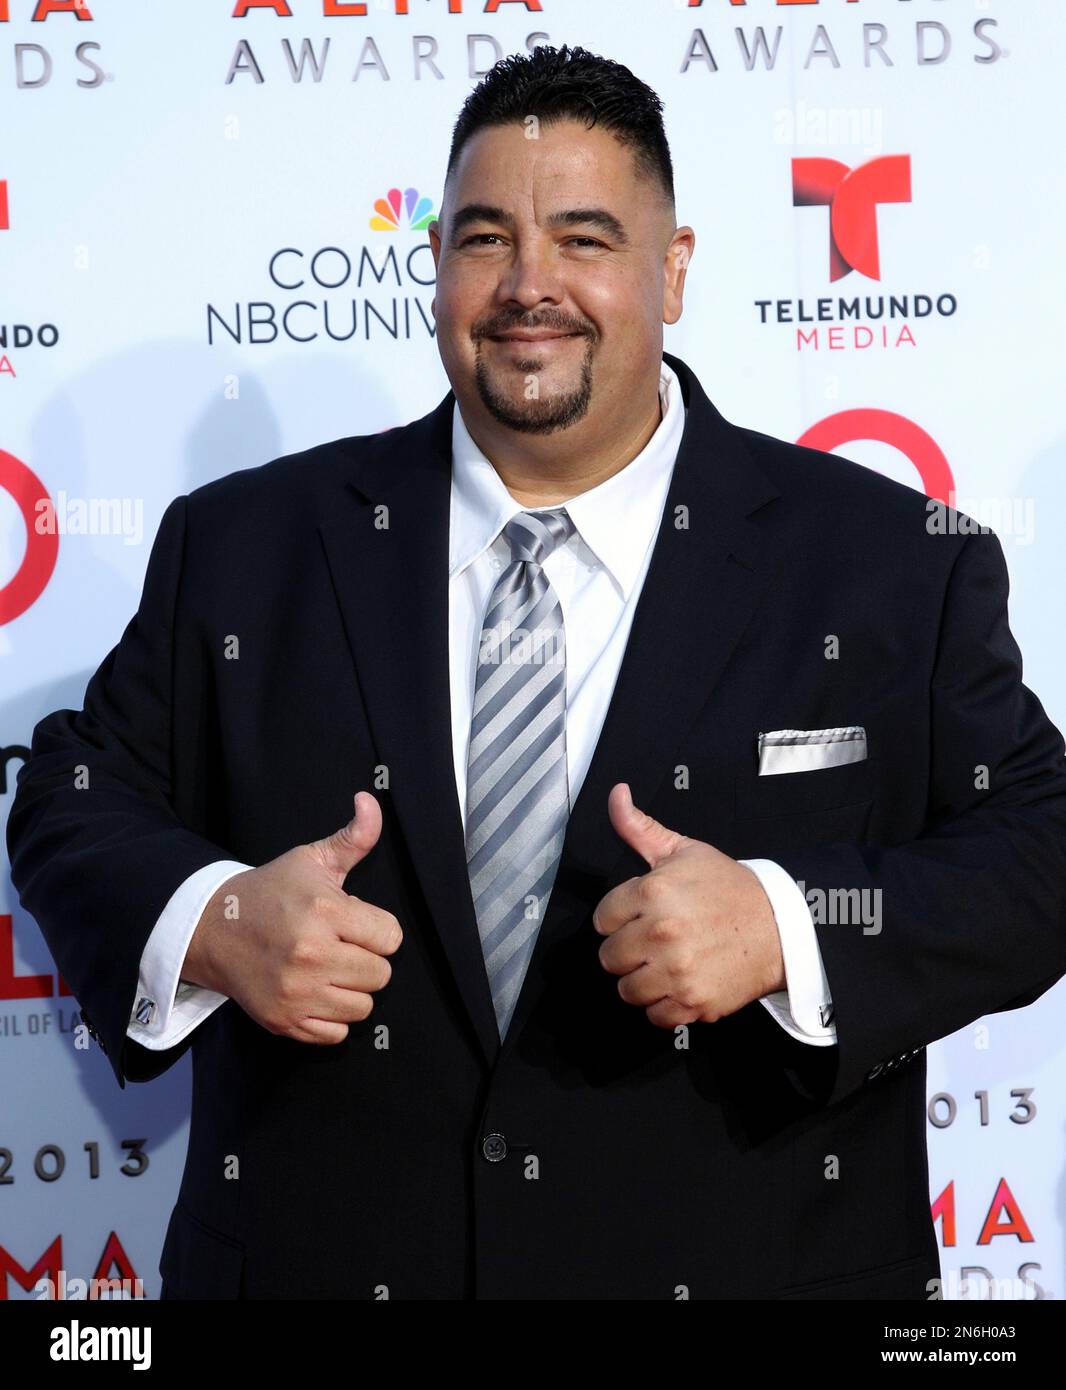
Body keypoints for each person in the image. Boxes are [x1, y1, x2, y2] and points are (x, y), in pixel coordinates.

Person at [8, 44, 1066, 1301]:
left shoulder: (889, 561)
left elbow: (1038, 849)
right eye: (482, 238)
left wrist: (789, 924)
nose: (527, 286)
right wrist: (218, 923)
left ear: (672, 271)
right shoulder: (246, 545)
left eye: (583, 238)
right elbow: (71, 797)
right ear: (437, 266)